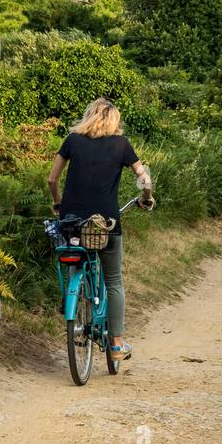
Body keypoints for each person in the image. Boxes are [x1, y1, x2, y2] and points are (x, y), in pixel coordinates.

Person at [47, 97, 151, 360]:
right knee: (114, 281)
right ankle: (116, 344)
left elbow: (52, 178)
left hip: (72, 223)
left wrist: (58, 203)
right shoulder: (121, 144)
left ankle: (75, 298)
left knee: (74, 260)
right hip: (106, 224)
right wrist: (147, 195)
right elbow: (143, 176)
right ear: (114, 120)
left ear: (88, 116)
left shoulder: (72, 140)